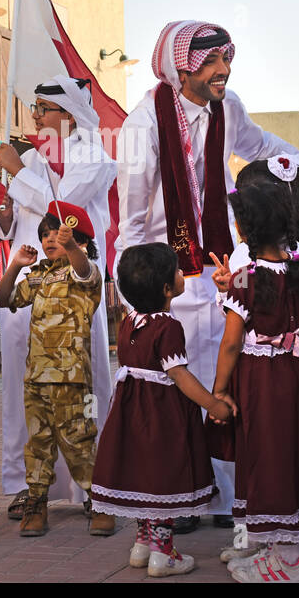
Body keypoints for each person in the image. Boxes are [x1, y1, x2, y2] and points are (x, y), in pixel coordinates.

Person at [116, 21, 299, 530]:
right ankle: (178, 498)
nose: (223, 71)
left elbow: (260, 145)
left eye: (226, 59)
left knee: (225, 381)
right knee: (173, 391)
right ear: (182, 68)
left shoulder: (228, 107)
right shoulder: (142, 126)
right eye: (212, 63)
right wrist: (137, 302)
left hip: (218, 272)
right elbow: (131, 224)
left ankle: (224, 499)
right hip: (166, 282)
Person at [0, 76, 116, 521]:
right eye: (35, 107)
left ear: (68, 115)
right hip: (31, 284)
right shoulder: (29, 158)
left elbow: (63, 214)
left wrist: (17, 172)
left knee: (81, 391)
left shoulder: (93, 156)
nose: (36, 116)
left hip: (75, 290)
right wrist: (5, 215)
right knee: (26, 392)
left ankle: (93, 489)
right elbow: (21, 221)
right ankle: (32, 488)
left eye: (43, 107)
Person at [212, 178, 299, 583]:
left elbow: (233, 343)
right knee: (287, 456)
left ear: (246, 229)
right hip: (292, 375)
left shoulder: (246, 278)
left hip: (259, 382)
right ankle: (273, 545)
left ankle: (288, 562)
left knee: (267, 458)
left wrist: (219, 389)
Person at [89, 242, 228, 576]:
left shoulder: (128, 321)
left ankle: (142, 544)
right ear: (168, 288)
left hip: (130, 414)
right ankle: (163, 553)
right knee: (163, 479)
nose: (183, 275)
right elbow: (178, 374)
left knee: (142, 477)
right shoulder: (168, 326)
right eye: (179, 271)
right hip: (161, 416)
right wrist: (212, 403)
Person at [0, 201, 114, 537]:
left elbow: (84, 269)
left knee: (79, 442)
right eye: (45, 234)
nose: (49, 240)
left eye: (57, 235)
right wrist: (16, 266)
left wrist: (72, 246)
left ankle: (99, 501)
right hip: (36, 378)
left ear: (82, 244)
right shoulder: (38, 276)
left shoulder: (85, 274)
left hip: (72, 378)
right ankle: (37, 504)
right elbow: (3, 300)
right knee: (38, 445)